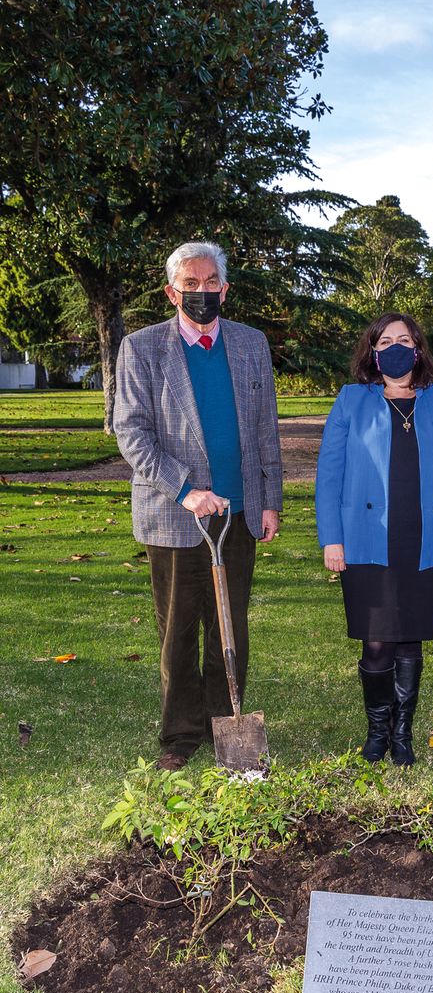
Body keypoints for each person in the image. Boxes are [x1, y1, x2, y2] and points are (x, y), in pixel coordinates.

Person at [114, 241, 282, 771]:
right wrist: (186, 489)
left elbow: (265, 430)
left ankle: (224, 721)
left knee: (231, 624)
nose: (202, 292)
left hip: (238, 512)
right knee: (179, 628)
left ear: (225, 289)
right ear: (172, 291)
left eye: (212, 283)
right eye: (191, 284)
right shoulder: (142, 349)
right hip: (175, 514)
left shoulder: (251, 344)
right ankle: (181, 736)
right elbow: (131, 432)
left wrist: (269, 499)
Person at [316, 312, 433, 766]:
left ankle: (403, 733)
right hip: (367, 540)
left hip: (428, 539)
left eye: (403, 339)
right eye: (384, 340)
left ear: (418, 349)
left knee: (412, 639)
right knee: (376, 640)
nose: (394, 347)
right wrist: (332, 538)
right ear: (372, 352)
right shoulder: (351, 401)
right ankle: (377, 730)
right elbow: (328, 476)